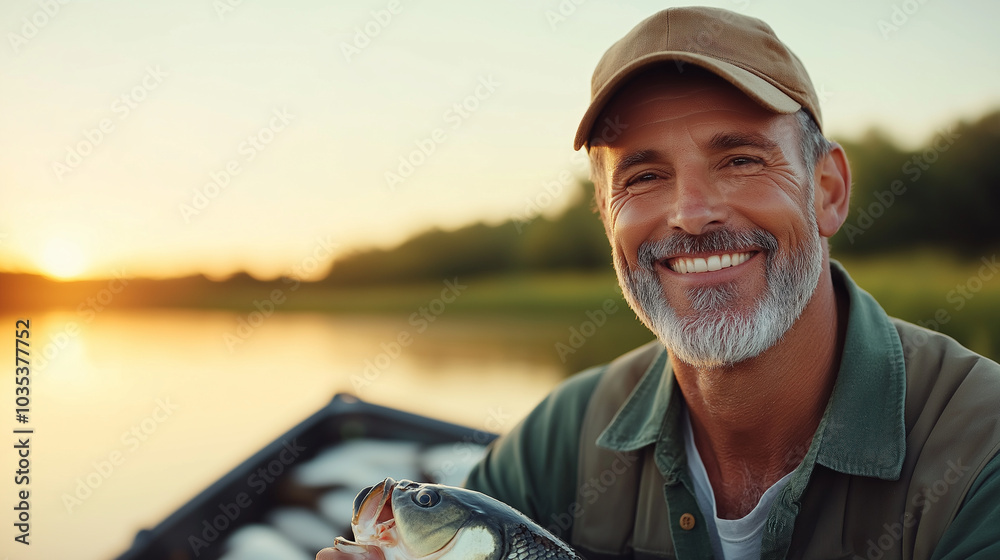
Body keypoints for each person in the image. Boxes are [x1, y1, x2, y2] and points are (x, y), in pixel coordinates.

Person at [463, 6, 1000, 560]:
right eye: (645, 177)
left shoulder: (982, 450)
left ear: (829, 191)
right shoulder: (560, 440)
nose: (692, 215)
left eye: (741, 160)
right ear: (605, 216)